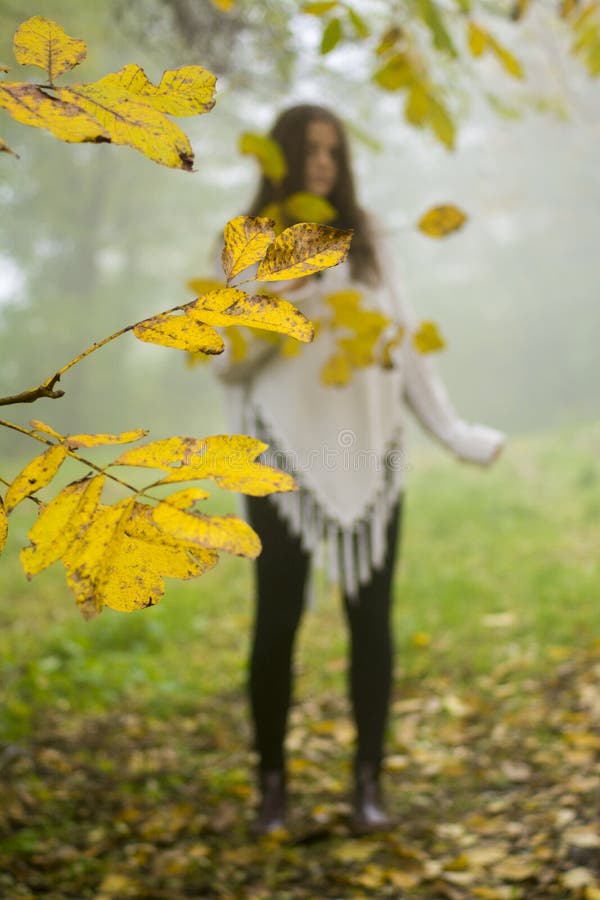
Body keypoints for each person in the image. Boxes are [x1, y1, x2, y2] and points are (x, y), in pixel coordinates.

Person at [214, 104, 505, 836]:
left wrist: (454, 433)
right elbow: (227, 364)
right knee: (276, 623)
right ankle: (272, 788)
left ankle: (367, 784)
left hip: (368, 452)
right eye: (311, 151)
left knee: (370, 622)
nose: (324, 164)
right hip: (282, 457)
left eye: (333, 153)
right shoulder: (251, 241)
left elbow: (404, 345)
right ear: (280, 158)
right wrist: (285, 307)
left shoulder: (368, 239)